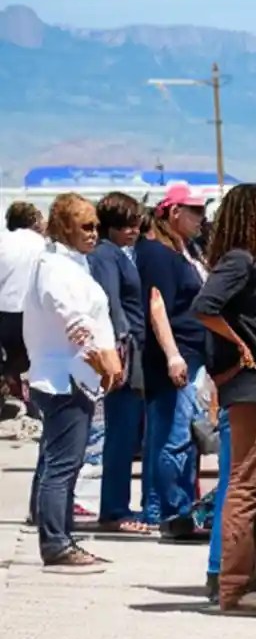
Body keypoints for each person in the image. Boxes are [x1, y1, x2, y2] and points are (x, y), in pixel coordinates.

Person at [193, 183, 256, 614]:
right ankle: (234, 586)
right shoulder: (238, 261)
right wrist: (240, 343)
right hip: (252, 384)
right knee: (247, 484)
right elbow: (204, 305)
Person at [25, 193, 123, 572]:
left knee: (64, 461)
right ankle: (56, 543)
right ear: (65, 226)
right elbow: (75, 320)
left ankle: (62, 537)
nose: (94, 233)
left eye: (96, 226)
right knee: (63, 464)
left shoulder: (73, 264)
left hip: (73, 376)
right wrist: (102, 361)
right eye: (86, 226)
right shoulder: (55, 268)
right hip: (62, 377)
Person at [134, 184, 208, 528]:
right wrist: (173, 355)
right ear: (174, 212)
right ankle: (173, 507)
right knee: (174, 435)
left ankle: (161, 507)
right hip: (177, 353)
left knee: (170, 432)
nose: (201, 218)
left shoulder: (182, 250)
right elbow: (156, 305)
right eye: (195, 211)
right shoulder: (157, 254)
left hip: (189, 350)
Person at [86, 192, 152, 533]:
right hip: (125, 351)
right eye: (124, 225)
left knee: (126, 433)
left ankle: (117, 505)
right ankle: (114, 508)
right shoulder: (106, 257)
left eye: (135, 224)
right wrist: (120, 350)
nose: (133, 230)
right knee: (121, 433)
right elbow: (110, 305)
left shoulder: (116, 254)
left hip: (130, 347)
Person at [1, 202, 46, 405]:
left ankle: (11, 385)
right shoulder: (40, 243)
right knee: (31, 362)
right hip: (31, 310)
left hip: (4, 309)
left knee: (10, 359)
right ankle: (30, 402)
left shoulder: (3, 240)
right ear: (34, 221)